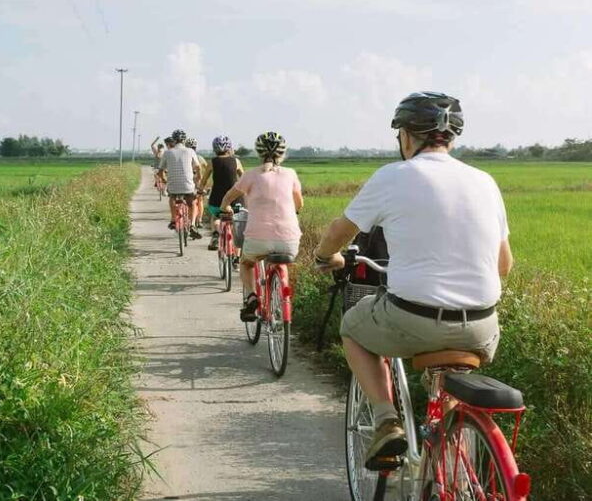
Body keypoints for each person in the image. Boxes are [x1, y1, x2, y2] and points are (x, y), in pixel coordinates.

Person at [313, 91, 514, 469]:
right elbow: (504, 264)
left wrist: (326, 257)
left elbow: (340, 232)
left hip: (412, 319)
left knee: (353, 328)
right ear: (452, 138)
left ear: (405, 136)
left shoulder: (393, 176)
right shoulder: (486, 181)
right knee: (449, 380)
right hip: (482, 327)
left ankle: (386, 419)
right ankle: (452, 456)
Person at [220, 132, 303, 321]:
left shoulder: (251, 175)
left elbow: (229, 197)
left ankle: (251, 297)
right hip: (289, 242)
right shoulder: (291, 174)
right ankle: (281, 295)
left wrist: (225, 208)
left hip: (257, 239)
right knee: (279, 256)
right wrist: (294, 212)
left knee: (246, 263)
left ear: (258, 152)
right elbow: (299, 203)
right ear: (282, 153)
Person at [198, 135, 244, 250]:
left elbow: (203, 180)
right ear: (229, 148)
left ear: (214, 149)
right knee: (236, 223)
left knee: (215, 217)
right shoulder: (236, 161)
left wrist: (200, 190)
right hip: (236, 200)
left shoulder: (212, 162)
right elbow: (244, 179)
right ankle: (236, 258)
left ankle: (215, 234)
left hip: (216, 200)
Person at [158, 129, 202, 240]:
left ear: (174, 140)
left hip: (173, 185)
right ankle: (192, 224)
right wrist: (198, 177)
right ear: (184, 140)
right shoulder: (190, 151)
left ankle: (173, 220)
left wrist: (164, 180)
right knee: (192, 203)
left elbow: (160, 170)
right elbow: (198, 167)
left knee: (172, 197)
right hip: (188, 185)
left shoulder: (168, 152)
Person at [185, 137, 208, 229]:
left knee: (189, 201)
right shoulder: (200, 158)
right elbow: (207, 168)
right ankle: (199, 220)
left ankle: (190, 219)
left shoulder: (185, 157)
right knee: (200, 200)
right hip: (198, 182)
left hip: (188, 182)